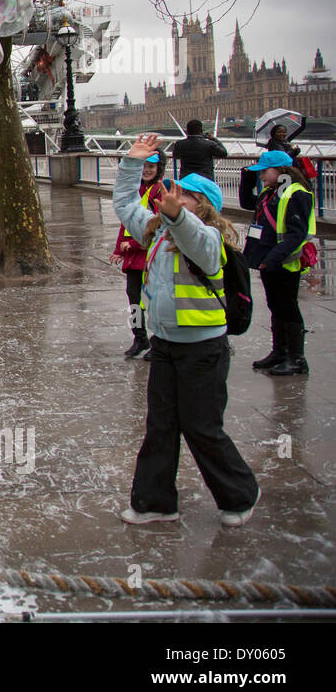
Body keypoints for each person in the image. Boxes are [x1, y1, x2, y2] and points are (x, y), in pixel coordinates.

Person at [113, 133, 260, 527]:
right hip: (165, 346)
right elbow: (125, 205)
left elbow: (197, 243)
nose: (172, 195)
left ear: (204, 205)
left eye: (185, 194)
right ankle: (155, 502)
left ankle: (241, 493)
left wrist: (178, 216)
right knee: (160, 426)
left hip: (203, 350)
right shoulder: (158, 231)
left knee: (202, 428)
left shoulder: (212, 239)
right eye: (173, 191)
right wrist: (131, 164)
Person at [240, 150, 315, 376]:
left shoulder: (296, 193)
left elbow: (296, 233)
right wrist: (246, 179)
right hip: (266, 260)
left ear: (282, 171)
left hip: (283, 262)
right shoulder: (270, 192)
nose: (261, 175)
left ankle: (297, 358)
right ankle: (279, 352)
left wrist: (272, 258)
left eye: (264, 171)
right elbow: (247, 203)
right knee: (275, 305)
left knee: (287, 306)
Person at [109, 152, 167, 359]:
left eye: (151, 166)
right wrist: (119, 249)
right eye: (143, 166)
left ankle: (159, 340)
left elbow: (160, 227)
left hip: (149, 255)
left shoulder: (160, 192)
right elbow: (126, 224)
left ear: (159, 168)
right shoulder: (138, 191)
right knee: (134, 299)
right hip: (134, 258)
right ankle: (140, 337)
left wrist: (131, 245)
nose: (146, 170)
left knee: (155, 301)